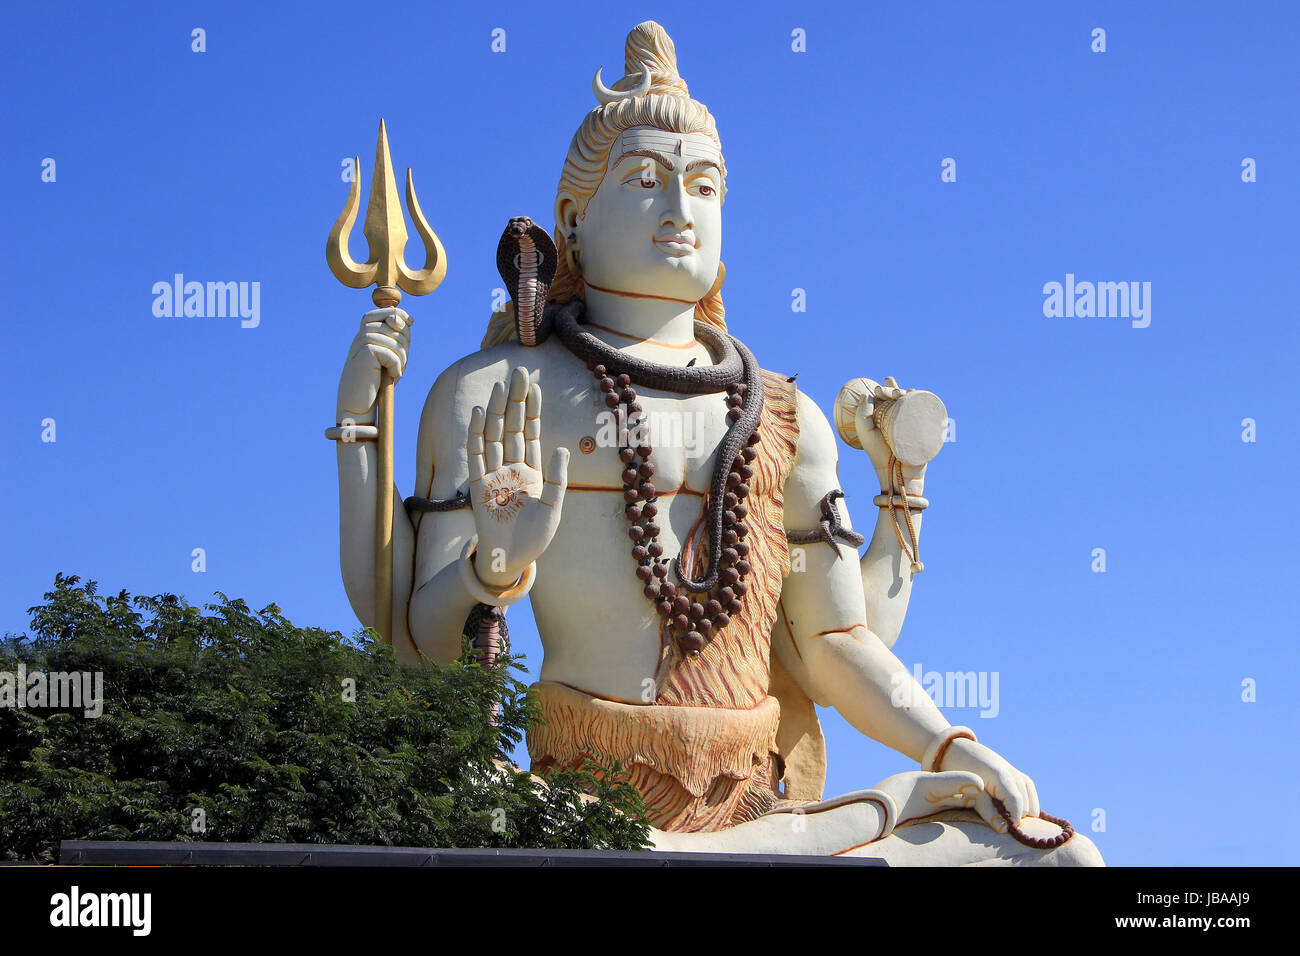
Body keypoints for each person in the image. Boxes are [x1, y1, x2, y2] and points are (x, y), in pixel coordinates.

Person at [329, 20, 1102, 864]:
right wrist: (491, 570)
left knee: (1058, 857)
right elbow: (416, 650)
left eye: (704, 187)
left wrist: (949, 748)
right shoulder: (497, 393)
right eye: (647, 181)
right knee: (493, 810)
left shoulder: (783, 418)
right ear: (572, 222)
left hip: (762, 817)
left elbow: (837, 643)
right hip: (579, 820)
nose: (678, 213)